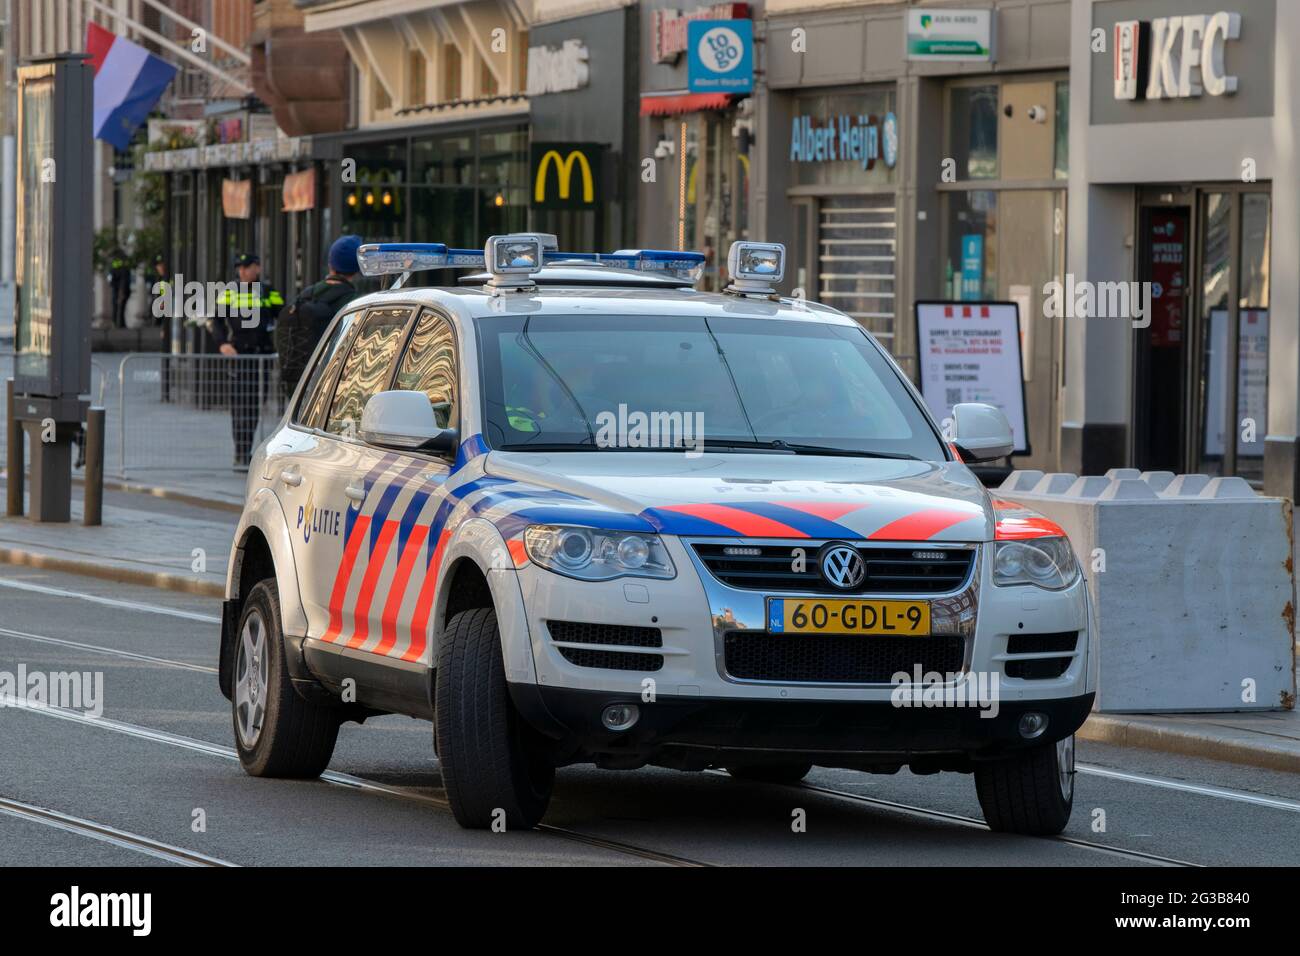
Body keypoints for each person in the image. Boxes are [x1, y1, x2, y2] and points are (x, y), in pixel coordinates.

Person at [208, 253, 284, 471]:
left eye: (247, 267)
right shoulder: (229, 292)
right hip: (240, 355)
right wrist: (222, 343)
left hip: (261, 356)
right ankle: (240, 452)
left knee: (254, 405)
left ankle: (247, 450)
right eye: (240, 267)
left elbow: (285, 315)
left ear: (257, 268)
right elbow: (216, 320)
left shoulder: (268, 291)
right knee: (240, 404)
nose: (242, 271)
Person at [275, 235, 363, 402]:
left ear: (330, 264)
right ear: (358, 268)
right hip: (329, 387)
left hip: (296, 384)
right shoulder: (352, 301)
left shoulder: (306, 294)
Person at [107, 248, 132, 328]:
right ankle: (119, 323)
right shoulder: (122, 264)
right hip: (121, 288)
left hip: (119, 288)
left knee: (118, 307)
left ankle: (118, 323)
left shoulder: (116, 264)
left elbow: (115, 277)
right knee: (120, 307)